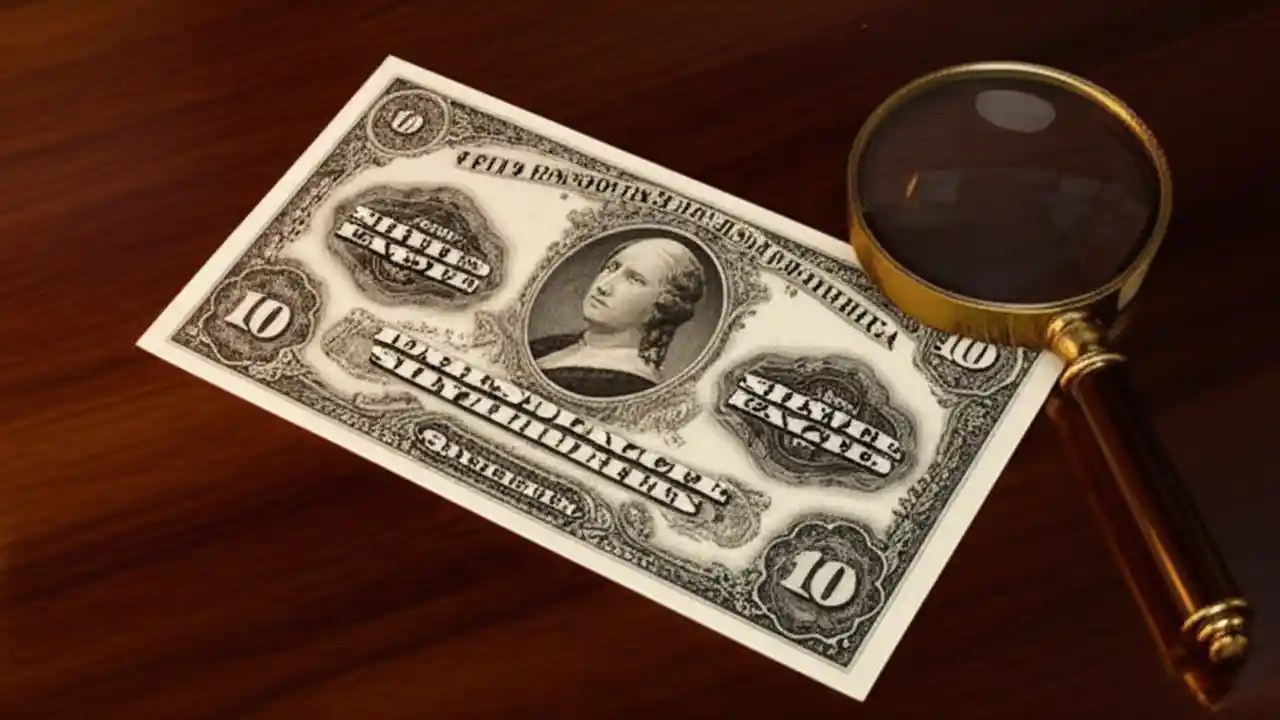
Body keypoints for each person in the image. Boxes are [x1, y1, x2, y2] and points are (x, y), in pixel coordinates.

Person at [531, 237, 706, 397]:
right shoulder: (551, 345)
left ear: (664, 305)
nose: (603, 286)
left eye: (635, 279)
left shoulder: (626, 386)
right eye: (611, 268)